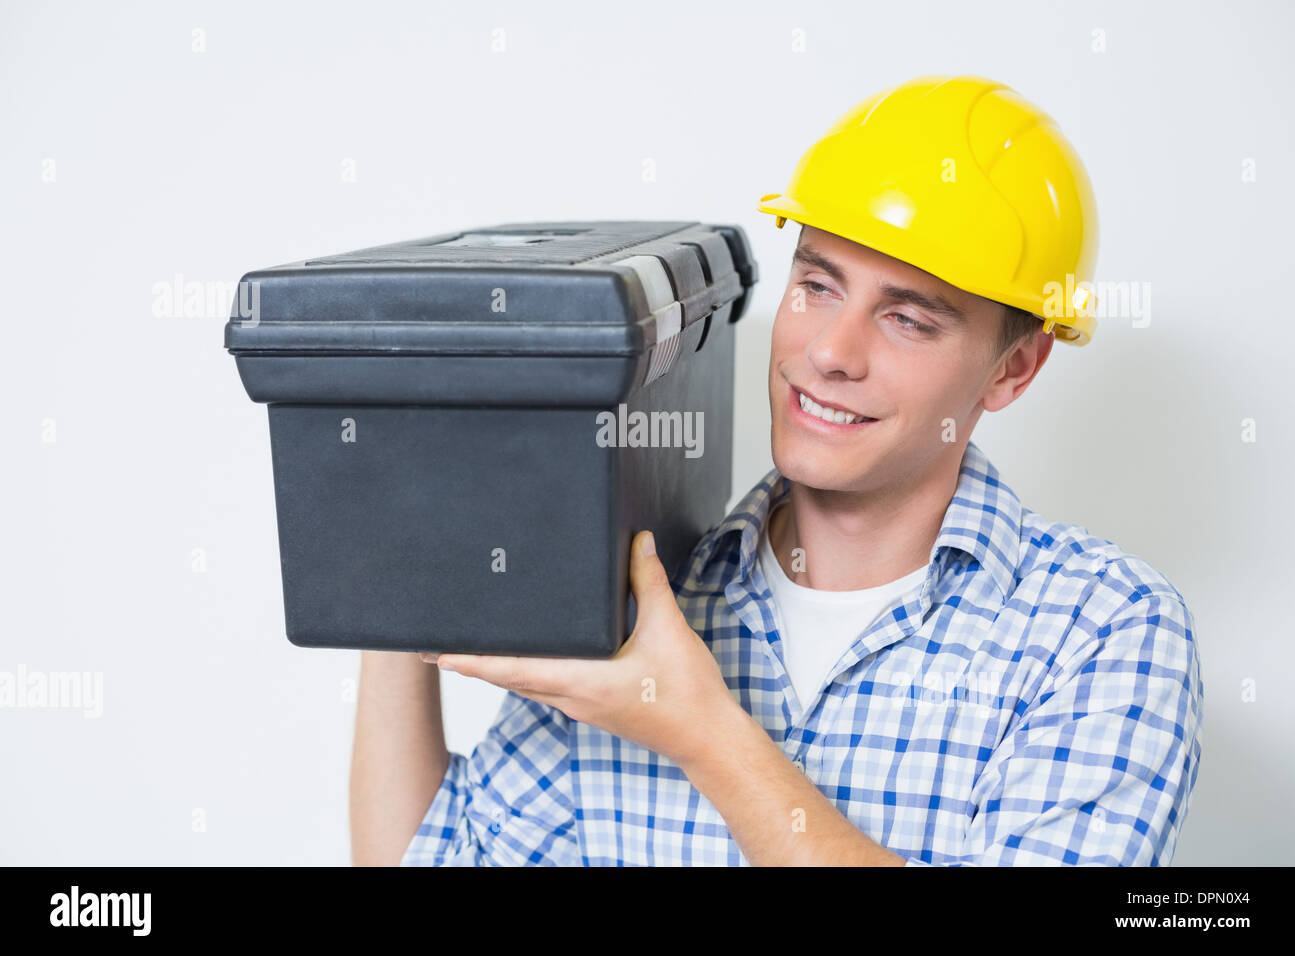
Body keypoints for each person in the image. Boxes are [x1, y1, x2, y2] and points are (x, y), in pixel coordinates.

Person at [349, 74, 1203, 866]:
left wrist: (701, 730)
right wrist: (400, 564)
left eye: (908, 319)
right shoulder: (648, 596)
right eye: (819, 285)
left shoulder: (1101, 633)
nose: (829, 352)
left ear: (1013, 370)